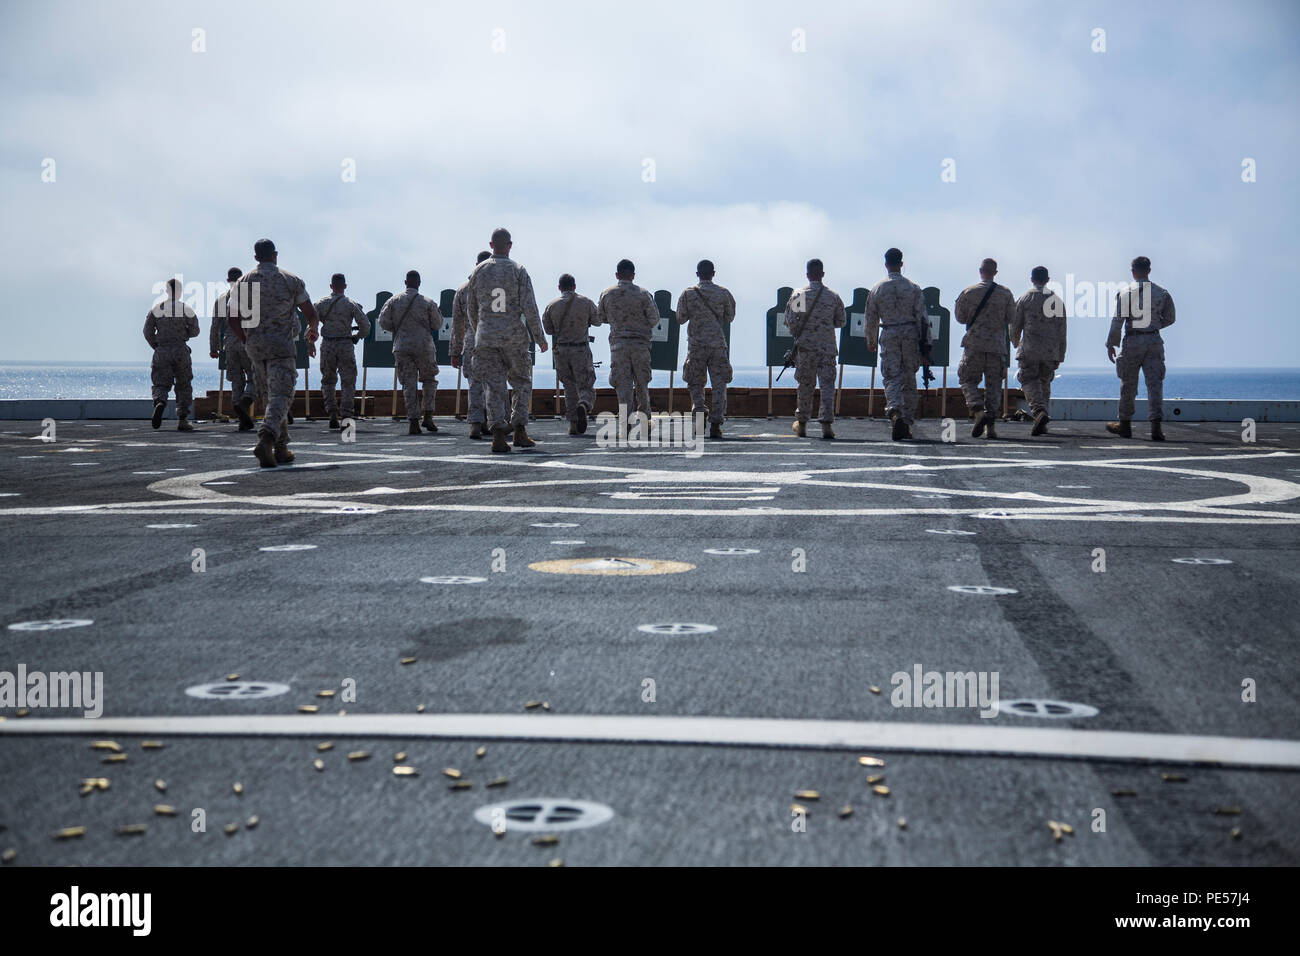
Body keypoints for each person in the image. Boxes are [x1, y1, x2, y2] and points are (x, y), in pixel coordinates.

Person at [230, 238, 317, 467]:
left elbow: (232, 319)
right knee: (282, 394)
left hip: (255, 347)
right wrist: (313, 330)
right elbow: (310, 312)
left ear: (256, 257)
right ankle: (266, 438)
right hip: (280, 346)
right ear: (275, 255)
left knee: (270, 395)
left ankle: (281, 447)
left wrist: (246, 340)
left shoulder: (241, 282)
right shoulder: (290, 280)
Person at [465, 227, 548, 452]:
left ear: (491, 245)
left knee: (493, 386)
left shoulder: (478, 272)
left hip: (486, 338)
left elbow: (470, 308)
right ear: (510, 245)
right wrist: (539, 337)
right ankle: (520, 430)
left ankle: (498, 435)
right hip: (514, 337)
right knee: (521, 383)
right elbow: (529, 307)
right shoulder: (518, 271)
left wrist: (479, 329)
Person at [1106, 256, 1175, 441]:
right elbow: (1170, 318)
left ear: (1133, 271)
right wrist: (1152, 326)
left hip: (1133, 341)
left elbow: (1117, 320)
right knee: (1155, 385)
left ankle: (1125, 425)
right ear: (1149, 270)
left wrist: (1111, 343)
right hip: (1153, 341)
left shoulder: (1125, 293)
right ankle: (1156, 428)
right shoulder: (1162, 293)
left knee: (1128, 384)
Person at [865, 248, 930, 440]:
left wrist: (871, 340)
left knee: (892, 377)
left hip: (889, 332)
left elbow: (870, 318)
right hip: (910, 334)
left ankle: (894, 411)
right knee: (909, 379)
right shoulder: (913, 288)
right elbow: (923, 319)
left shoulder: (877, 288)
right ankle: (907, 422)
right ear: (901, 264)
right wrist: (926, 345)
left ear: (886, 264)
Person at [596, 259, 659, 433]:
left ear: (617, 275)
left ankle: (626, 423)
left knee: (623, 386)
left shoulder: (607, 294)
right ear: (633, 275)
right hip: (640, 345)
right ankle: (645, 421)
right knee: (642, 383)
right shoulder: (644, 294)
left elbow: (599, 317)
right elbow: (654, 319)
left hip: (619, 346)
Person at [784, 258, 845, 439]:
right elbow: (841, 321)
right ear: (823, 275)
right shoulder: (832, 296)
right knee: (827, 385)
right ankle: (827, 426)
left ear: (808, 275)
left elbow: (790, 321)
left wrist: (801, 334)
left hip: (806, 348)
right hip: (827, 348)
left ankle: (802, 424)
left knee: (805, 385)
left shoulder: (800, 295)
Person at [955, 258, 1015, 439]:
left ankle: (977, 409)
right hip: (996, 346)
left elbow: (961, 318)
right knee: (994, 387)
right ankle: (991, 428)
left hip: (974, 344)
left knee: (966, 379)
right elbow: (1012, 317)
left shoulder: (969, 292)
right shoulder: (1005, 294)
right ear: (995, 273)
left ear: (980, 271)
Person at [675, 260, 736, 439]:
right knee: (719, 385)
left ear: (697, 274)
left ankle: (700, 415)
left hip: (696, 345)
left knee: (695, 383)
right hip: (717, 345)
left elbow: (680, 318)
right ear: (713, 273)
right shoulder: (723, 293)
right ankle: (716, 425)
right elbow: (729, 317)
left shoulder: (688, 294)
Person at [378, 270, 441, 435]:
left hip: (402, 346)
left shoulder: (393, 301)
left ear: (405, 282)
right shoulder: (428, 302)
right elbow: (437, 324)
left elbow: (383, 322)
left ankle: (413, 421)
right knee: (429, 380)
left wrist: (398, 329)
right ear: (419, 283)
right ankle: (428, 416)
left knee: (408, 384)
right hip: (424, 346)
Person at [1010, 266, 1067, 435]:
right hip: (1050, 351)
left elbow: (1014, 325)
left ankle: (1038, 412)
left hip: (1029, 349)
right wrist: (1060, 355)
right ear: (1048, 280)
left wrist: (1015, 343)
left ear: (1032, 279)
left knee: (1028, 380)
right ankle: (1043, 420)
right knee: (1044, 384)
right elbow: (1062, 330)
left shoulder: (1025, 298)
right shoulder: (1056, 300)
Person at [542, 274, 599, 435]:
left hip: (561, 351)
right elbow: (598, 321)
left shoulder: (551, 306)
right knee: (586, 383)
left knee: (568, 387)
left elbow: (548, 329)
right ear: (574, 286)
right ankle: (584, 405)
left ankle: (573, 423)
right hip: (580, 349)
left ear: (559, 287)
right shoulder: (586, 302)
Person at [313, 273, 371, 428]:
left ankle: (332, 412)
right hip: (345, 344)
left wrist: (310, 343)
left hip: (327, 345)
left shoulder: (320, 303)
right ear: (345, 286)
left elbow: (311, 326)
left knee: (328, 380)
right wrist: (357, 336)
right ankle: (346, 414)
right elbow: (365, 326)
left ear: (331, 286)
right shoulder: (350, 304)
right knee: (348, 381)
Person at [144, 278, 200, 431]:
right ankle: (182, 419)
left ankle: (160, 402)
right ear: (180, 292)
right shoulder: (186, 309)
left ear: (167, 291)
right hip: (180, 350)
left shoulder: (156, 309)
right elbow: (195, 330)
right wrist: (184, 333)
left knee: (160, 383)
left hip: (162, 350)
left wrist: (155, 344)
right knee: (183, 385)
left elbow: (147, 331)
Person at [209, 267, 258, 430]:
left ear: (228, 280)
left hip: (229, 344)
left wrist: (214, 348)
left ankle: (240, 412)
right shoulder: (250, 297)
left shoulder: (222, 300)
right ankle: (246, 401)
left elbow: (215, 326)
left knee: (236, 380)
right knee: (255, 377)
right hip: (247, 341)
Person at [451, 251, 492, 438]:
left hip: (470, 341)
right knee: (494, 383)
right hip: (492, 339)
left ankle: (476, 423)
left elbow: (457, 324)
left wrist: (454, 351)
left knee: (474, 384)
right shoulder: (498, 288)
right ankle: (494, 422)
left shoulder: (462, 289)